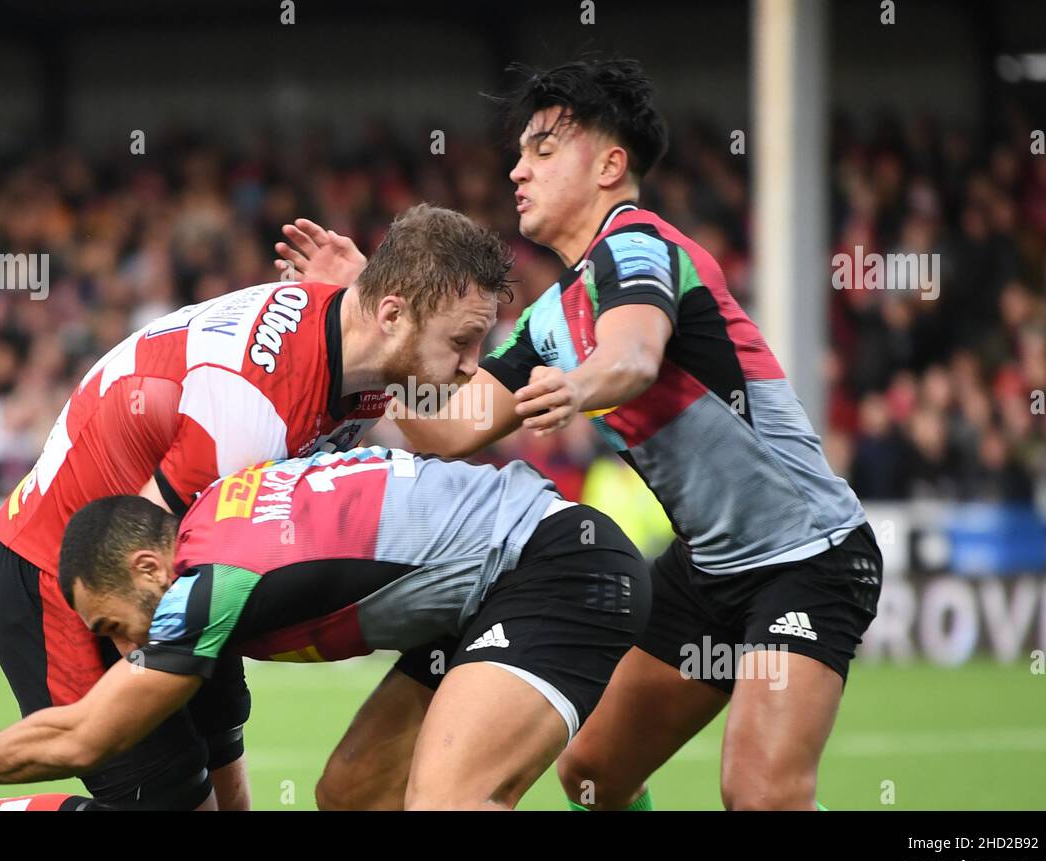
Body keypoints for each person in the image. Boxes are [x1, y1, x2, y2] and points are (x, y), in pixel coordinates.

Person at [279, 58, 882, 812]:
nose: (516, 169)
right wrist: (376, 316)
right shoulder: (548, 318)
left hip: (808, 554)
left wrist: (577, 386)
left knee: (761, 794)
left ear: (609, 164)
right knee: (593, 771)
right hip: (709, 571)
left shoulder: (637, 247)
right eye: (520, 153)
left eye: (541, 149)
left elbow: (632, 356)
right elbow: (442, 429)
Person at [0, 203, 511, 810]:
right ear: (391, 314)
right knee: (164, 798)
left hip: (179, 556)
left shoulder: (365, 336)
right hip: (71, 578)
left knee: (224, 767)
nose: (472, 365)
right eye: (462, 342)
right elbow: (133, 569)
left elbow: (444, 427)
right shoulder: (248, 409)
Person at [0, 447, 650, 811]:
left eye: (112, 627)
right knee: (352, 793)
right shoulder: (218, 511)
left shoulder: (210, 584)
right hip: (489, 590)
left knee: (446, 801)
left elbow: (89, 735)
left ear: (151, 566)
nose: (120, 651)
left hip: (558, 568)